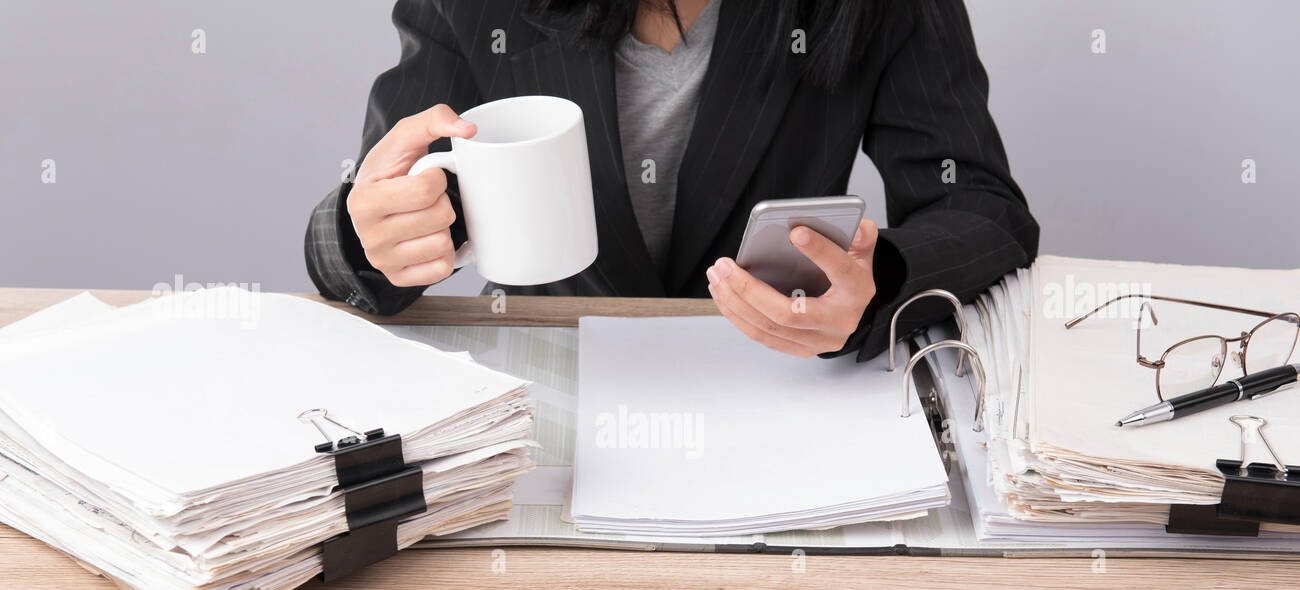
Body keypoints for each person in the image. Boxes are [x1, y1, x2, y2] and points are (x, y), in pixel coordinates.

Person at [305, 0, 1038, 360]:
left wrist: (876, 282)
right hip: (548, 388)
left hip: (780, 386)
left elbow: (984, 210)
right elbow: (372, 218)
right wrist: (367, 236)